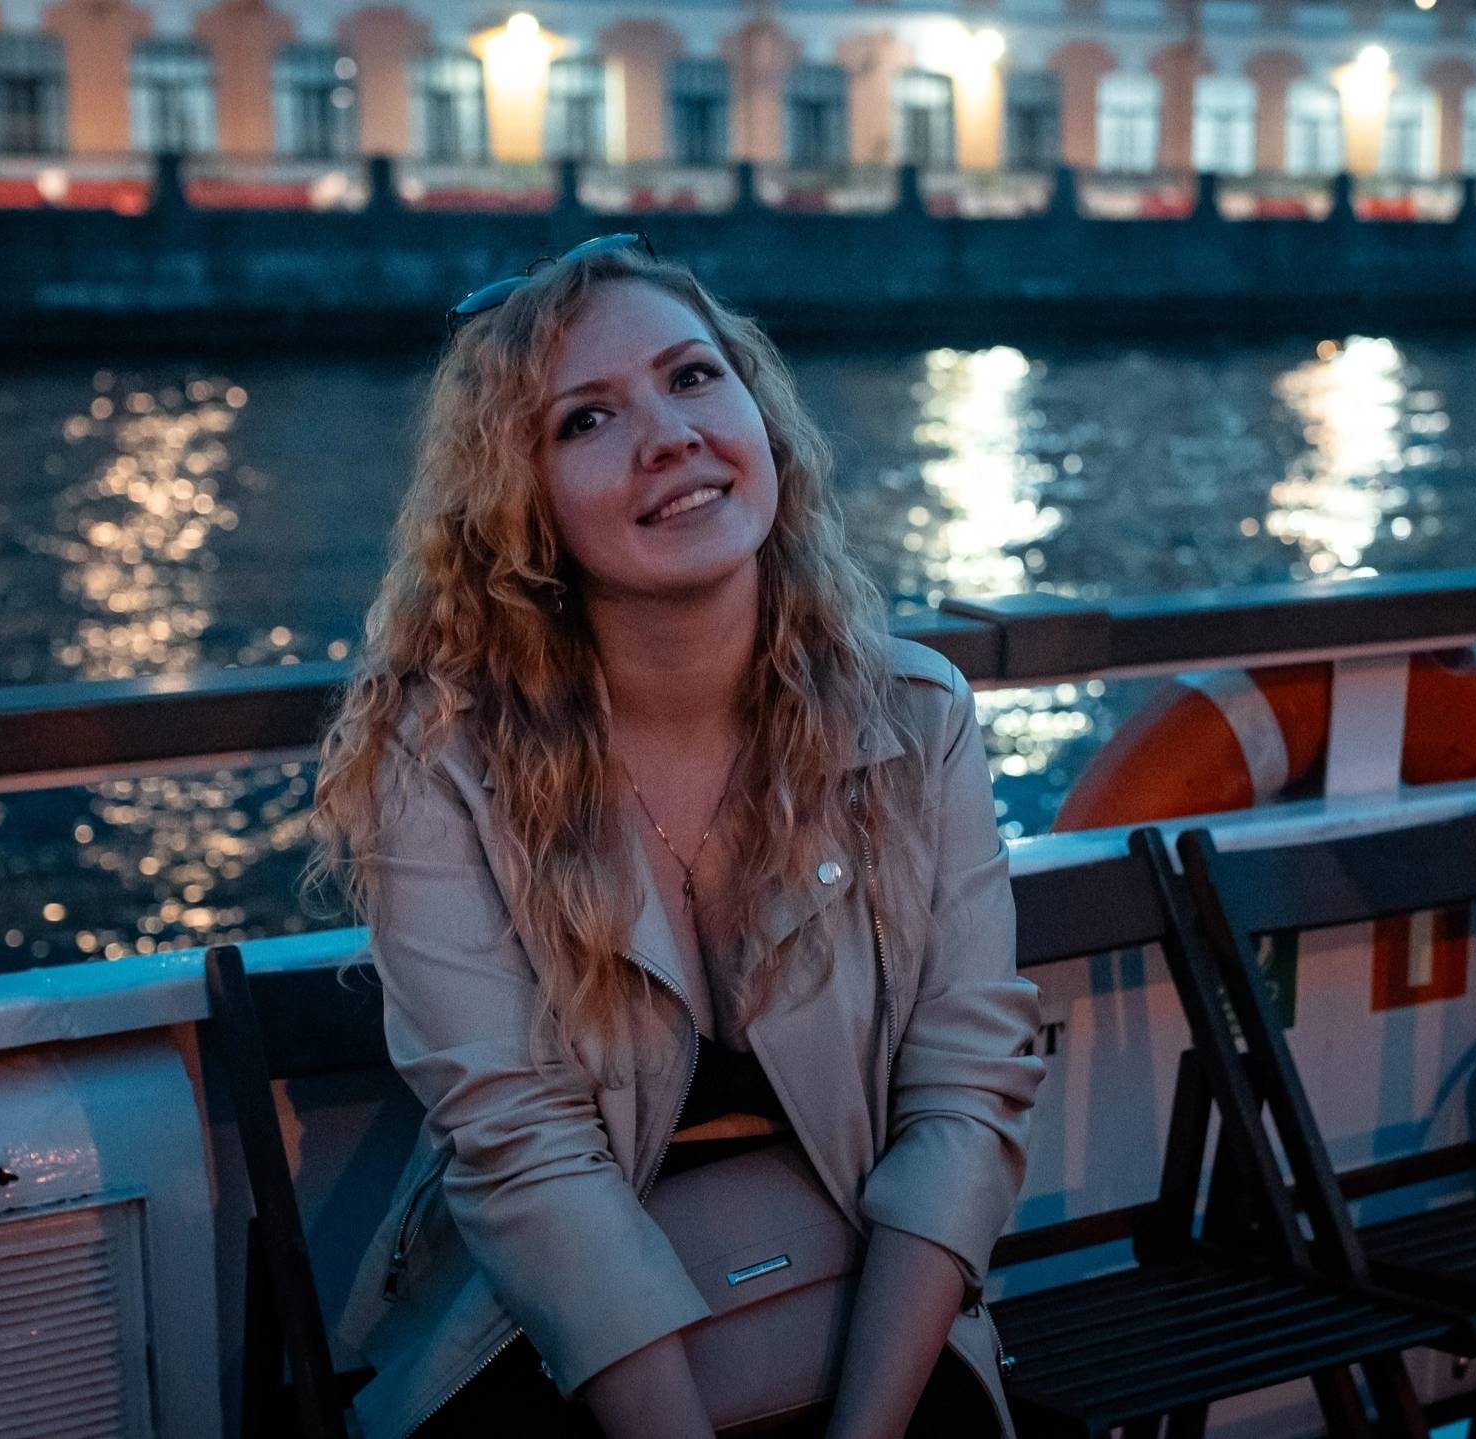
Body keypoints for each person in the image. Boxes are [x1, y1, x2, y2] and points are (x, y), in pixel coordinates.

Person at [307, 234, 1045, 1439]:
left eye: (693, 376)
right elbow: (522, 1150)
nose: (668, 435)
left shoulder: (914, 722)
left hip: (872, 1315)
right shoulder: (440, 763)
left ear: (762, 419)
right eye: (586, 419)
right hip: (560, 1341)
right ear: (523, 508)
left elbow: (964, 1092)